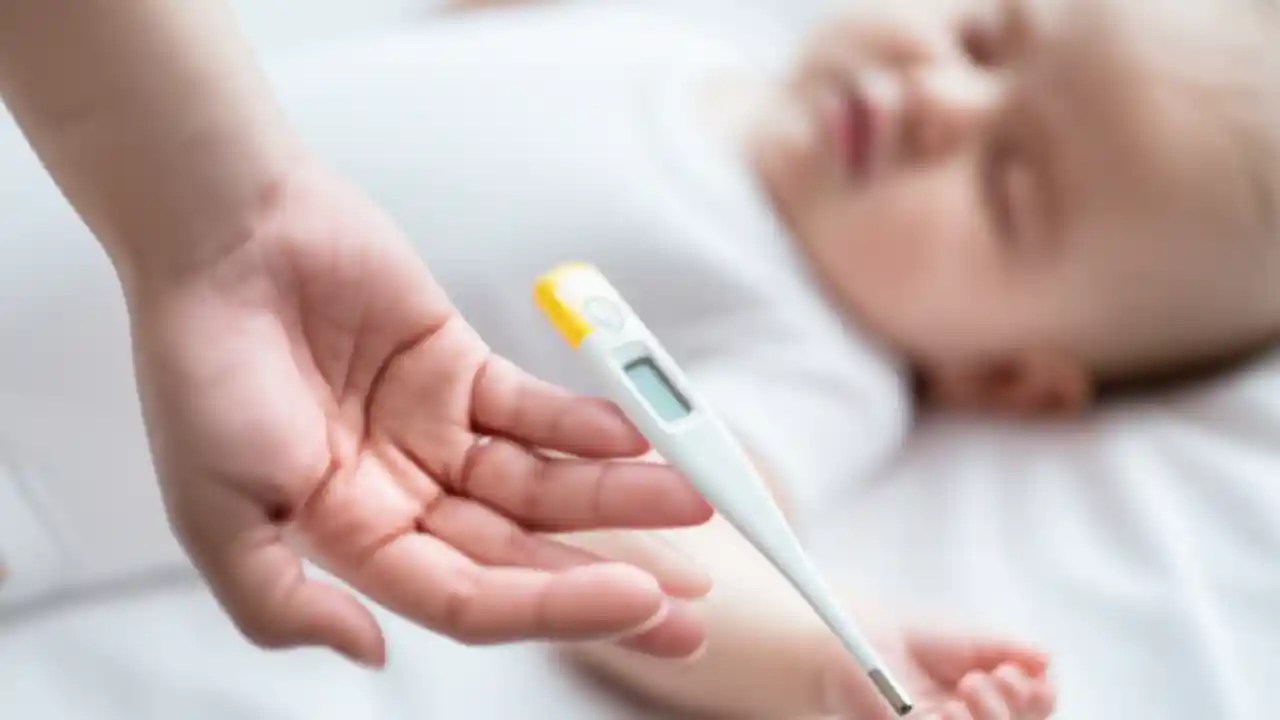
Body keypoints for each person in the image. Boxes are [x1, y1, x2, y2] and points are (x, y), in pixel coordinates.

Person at [258, 0, 1272, 716]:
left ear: (1005, 377)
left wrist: (827, 665)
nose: (938, 100)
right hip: (135, 166)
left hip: (172, 420)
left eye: (1003, 186)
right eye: (980, 36)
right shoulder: (709, 37)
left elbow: (655, 550)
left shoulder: (817, 360)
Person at [0, 0, 720, 668]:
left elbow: (723, 545)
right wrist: (232, 221)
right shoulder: (668, 38)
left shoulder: (815, 353)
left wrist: (825, 677)